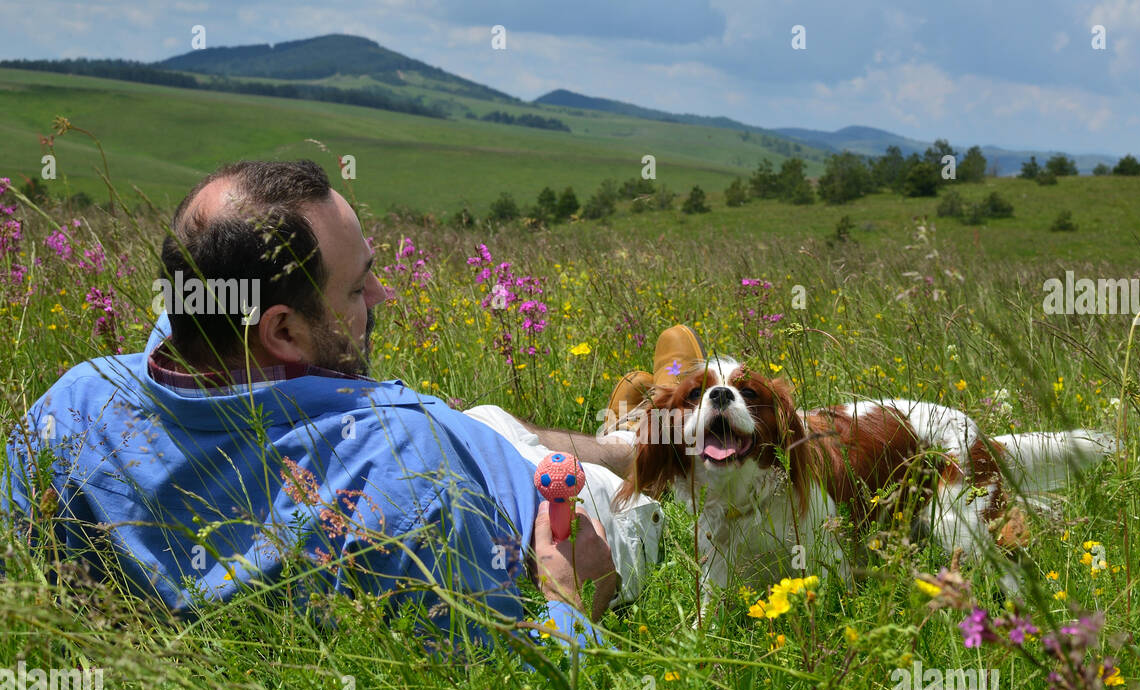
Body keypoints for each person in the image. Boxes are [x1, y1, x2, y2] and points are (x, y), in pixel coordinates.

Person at [2, 159, 704, 651]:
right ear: (280, 330)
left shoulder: (76, 400)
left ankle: (634, 427)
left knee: (491, 419)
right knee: (657, 468)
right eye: (358, 285)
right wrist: (574, 598)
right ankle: (690, 426)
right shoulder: (404, 478)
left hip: (471, 439)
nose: (380, 298)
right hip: (559, 510)